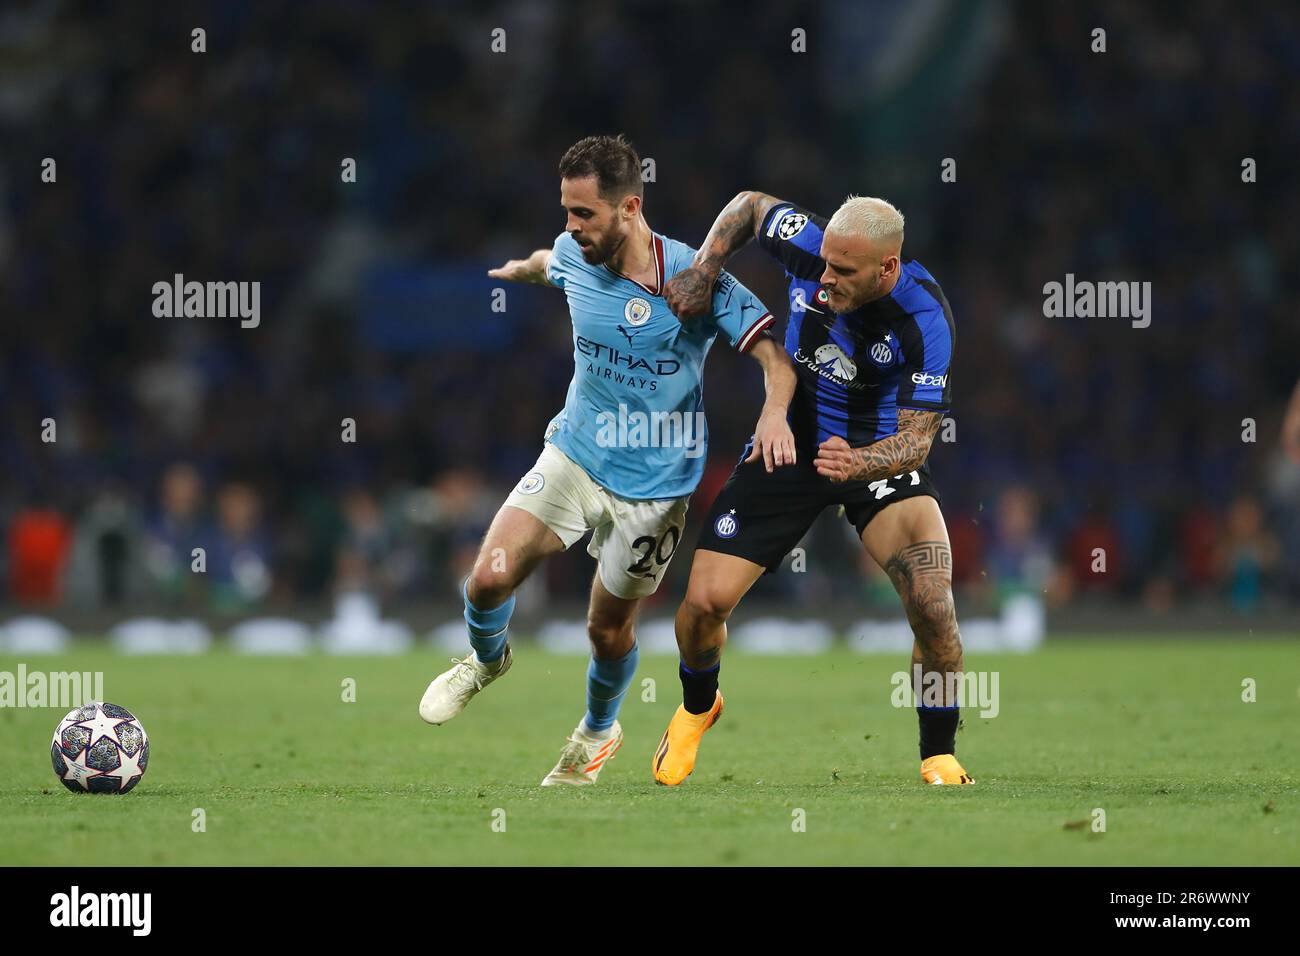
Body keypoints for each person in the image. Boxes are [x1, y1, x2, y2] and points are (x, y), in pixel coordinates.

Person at [418, 137, 797, 786]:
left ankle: (597, 730)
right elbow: (551, 261)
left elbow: (774, 359)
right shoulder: (573, 252)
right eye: (565, 211)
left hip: (655, 489)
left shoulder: (694, 278)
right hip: (576, 453)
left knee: (605, 630)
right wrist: (525, 267)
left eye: (583, 213)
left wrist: (772, 412)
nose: (571, 226)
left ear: (628, 207)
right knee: (487, 580)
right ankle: (485, 661)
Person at [654, 190, 974, 786]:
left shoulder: (926, 320)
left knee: (933, 606)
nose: (825, 279)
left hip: (874, 458)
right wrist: (705, 267)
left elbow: (919, 441)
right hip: (792, 443)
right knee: (701, 606)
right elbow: (749, 205)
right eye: (824, 263)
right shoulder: (812, 243)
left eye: (844, 271)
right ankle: (699, 705)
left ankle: (939, 752)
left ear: (888, 268)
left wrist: (857, 465)